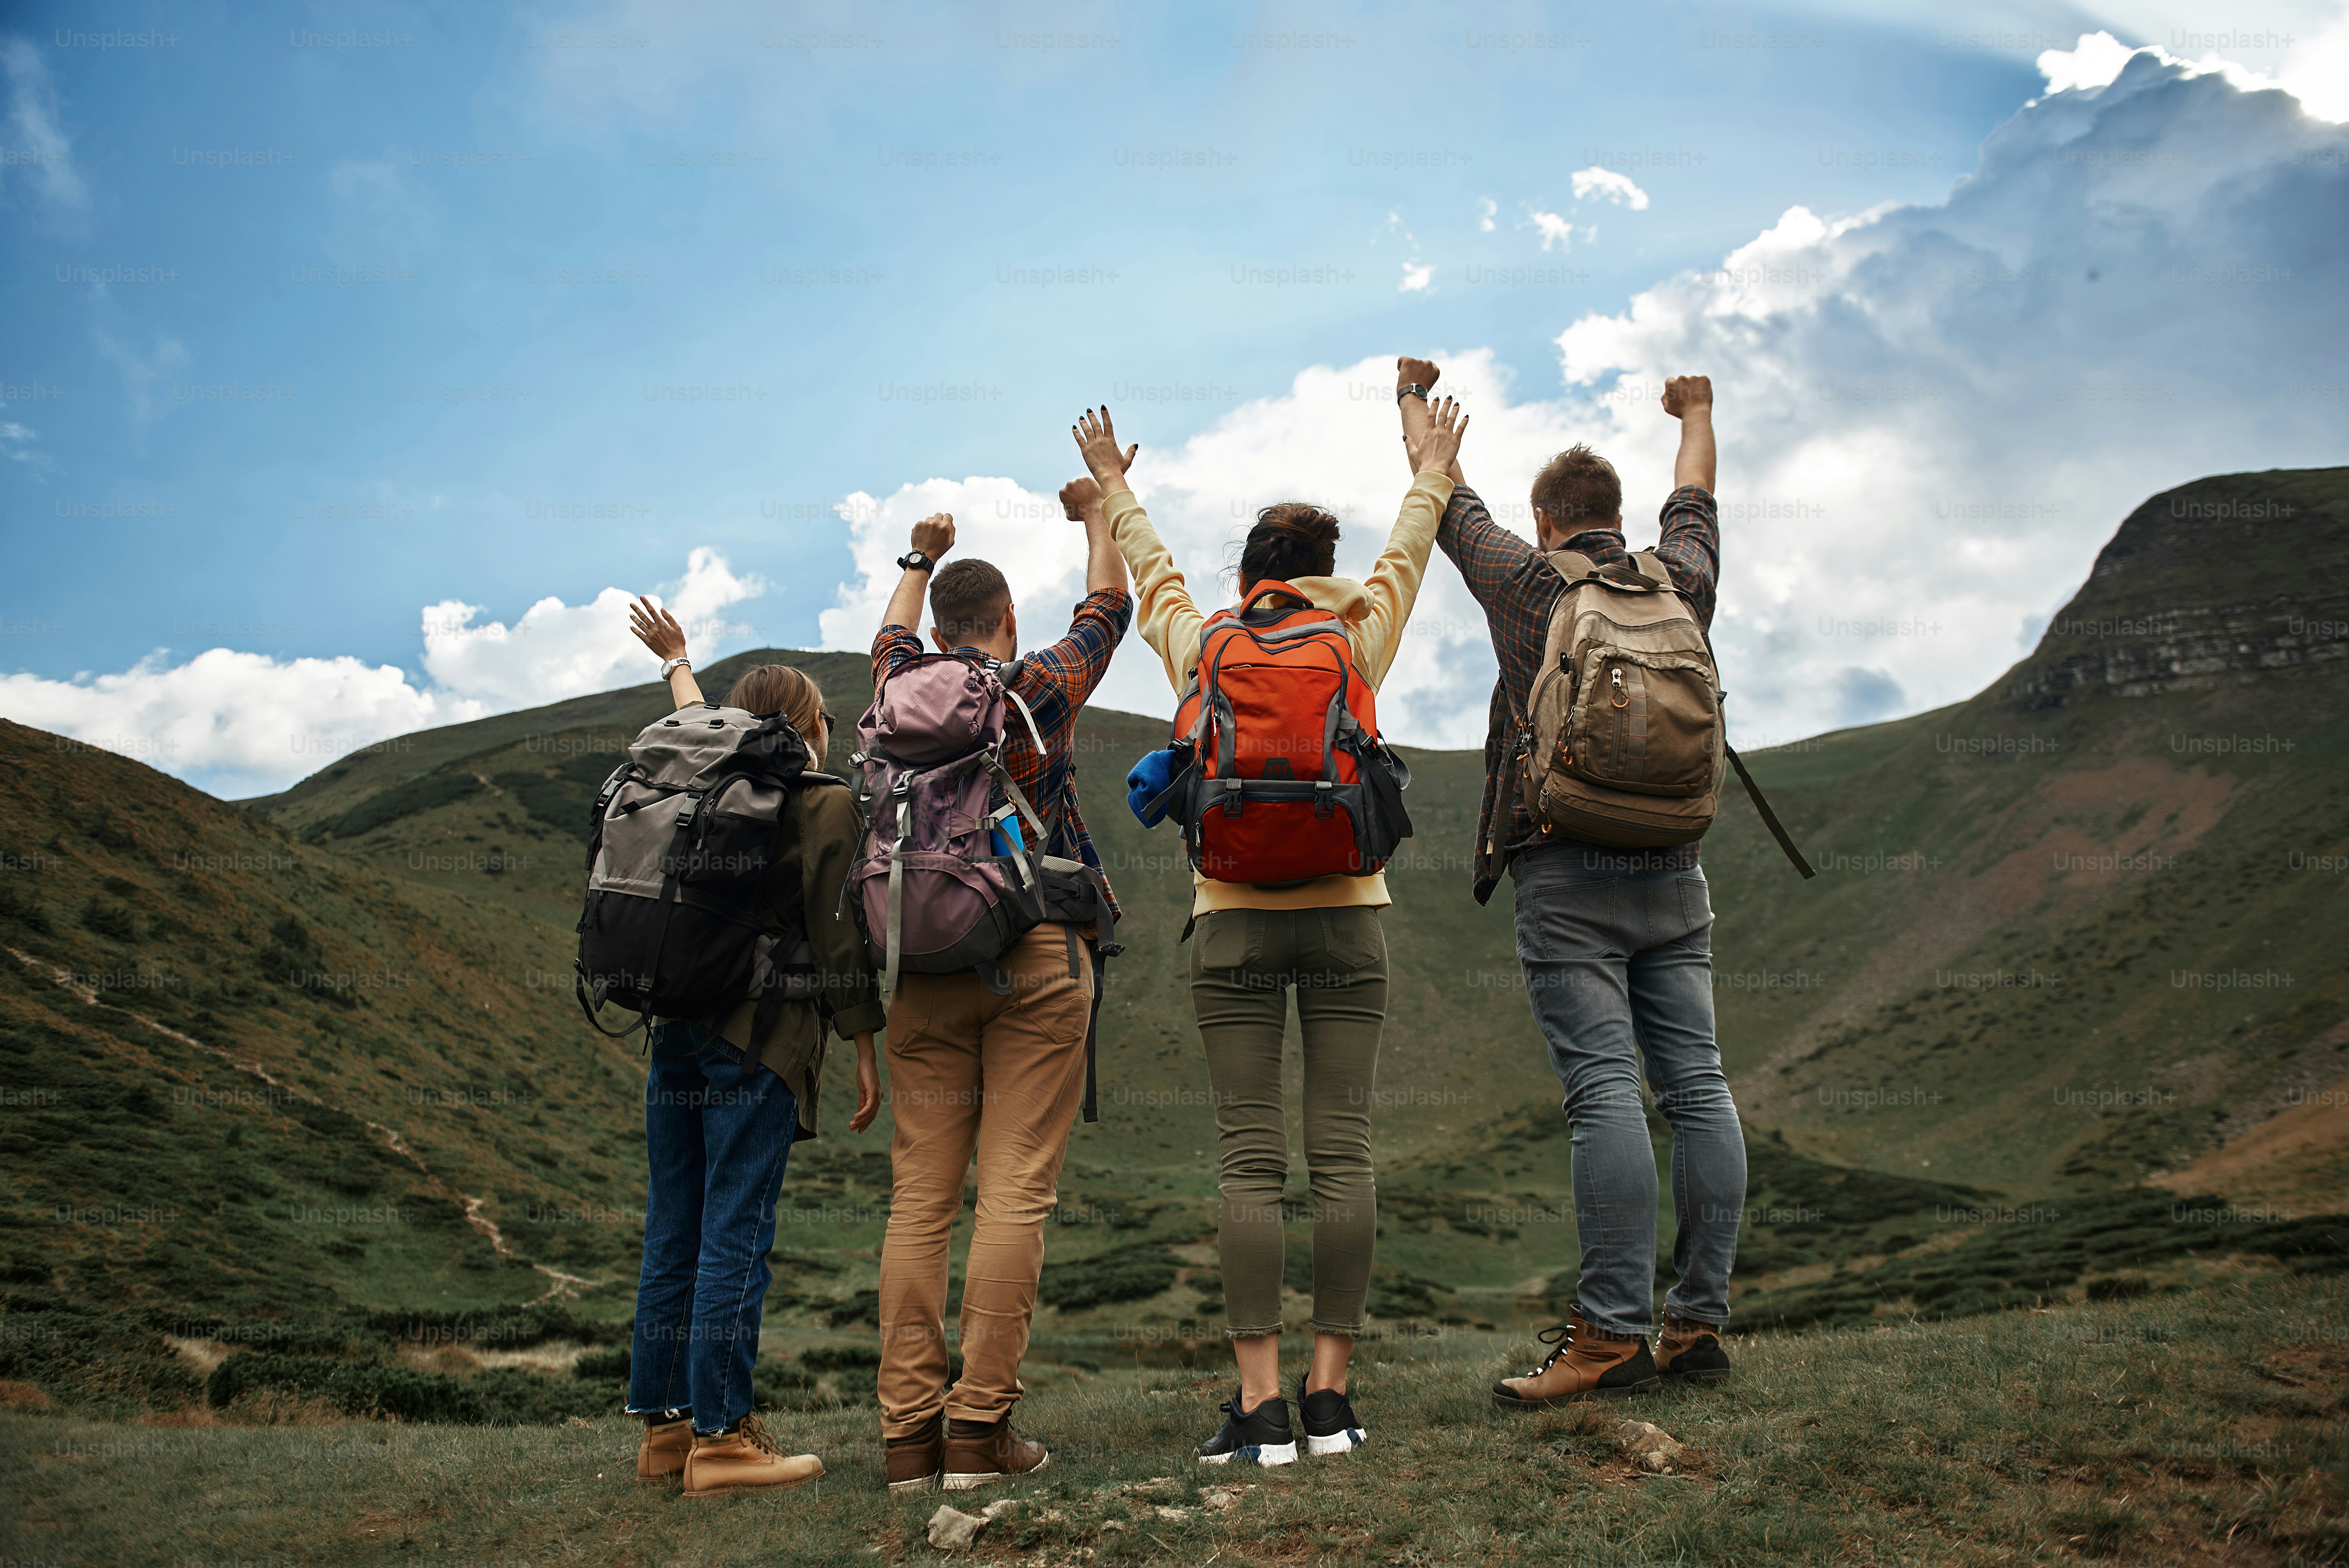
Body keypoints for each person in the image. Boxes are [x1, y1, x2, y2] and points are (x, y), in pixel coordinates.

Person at [1073, 398, 1468, 1465]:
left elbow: (1150, 578)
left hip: (1235, 926)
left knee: (1249, 1164)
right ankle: (1332, 1401)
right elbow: (1408, 553)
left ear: (1249, 575)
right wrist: (1429, 468)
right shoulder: (1356, 632)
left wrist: (1114, 483)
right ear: (1320, 570)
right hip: (1350, 921)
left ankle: (1260, 1412)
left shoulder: (1207, 642)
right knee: (1343, 1153)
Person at [1396, 356, 1743, 1405]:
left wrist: (1414, 401)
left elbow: (1443, 498)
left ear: (1546, 520)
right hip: (1676, 868)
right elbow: (1699, 494)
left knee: (1604, 1096)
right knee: (1700, 1089)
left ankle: (1607, 1338)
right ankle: (1697, 1327)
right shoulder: (1679, 575)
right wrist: (1697, 409)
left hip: (1564, 866)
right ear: (1616, 514)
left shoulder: (1531, 579)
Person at [870, 497, 1133, 1492]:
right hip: (1034, 953)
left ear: (938, 634)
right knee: (1014, 1188)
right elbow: (1108, 606)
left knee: (919, 1204)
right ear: (1008, 620)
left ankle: (906, 1443)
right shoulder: (1031, 688)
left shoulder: (896, 687)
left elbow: (889, 633)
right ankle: (979, 1434)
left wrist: (917, 554)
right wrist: (1100, 513)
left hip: (919, 962)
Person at [618, 600, 885, 1496]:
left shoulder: (697, 780)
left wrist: (677, 663)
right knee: (736, 1229)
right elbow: (837, 934)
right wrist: (864, 1045)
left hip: (675, 1031)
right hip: (758, 1040)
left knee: (675, 1228)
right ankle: (725, 1440)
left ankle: (664, 1433)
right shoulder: (821, 800)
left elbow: (693, 722)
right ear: (811, 726)